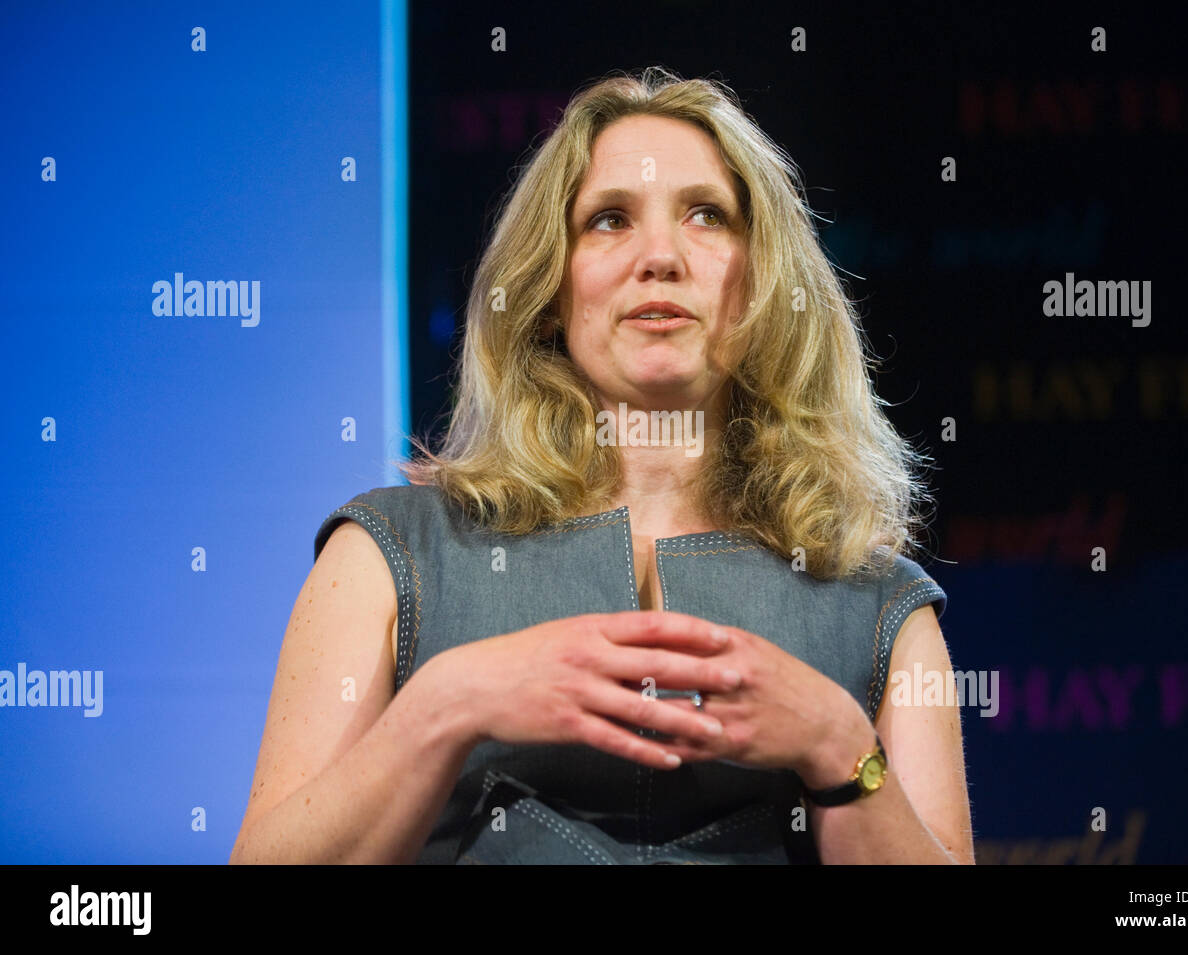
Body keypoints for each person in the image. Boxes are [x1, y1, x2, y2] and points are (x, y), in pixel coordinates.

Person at [230, 66, 975, 865]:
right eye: (611, 220)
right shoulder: (388, 554)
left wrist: (836, 742)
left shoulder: (877, 599)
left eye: (706, 216)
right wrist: (448, 703)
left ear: (762, 282)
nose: (660, 255)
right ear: (551, 289)